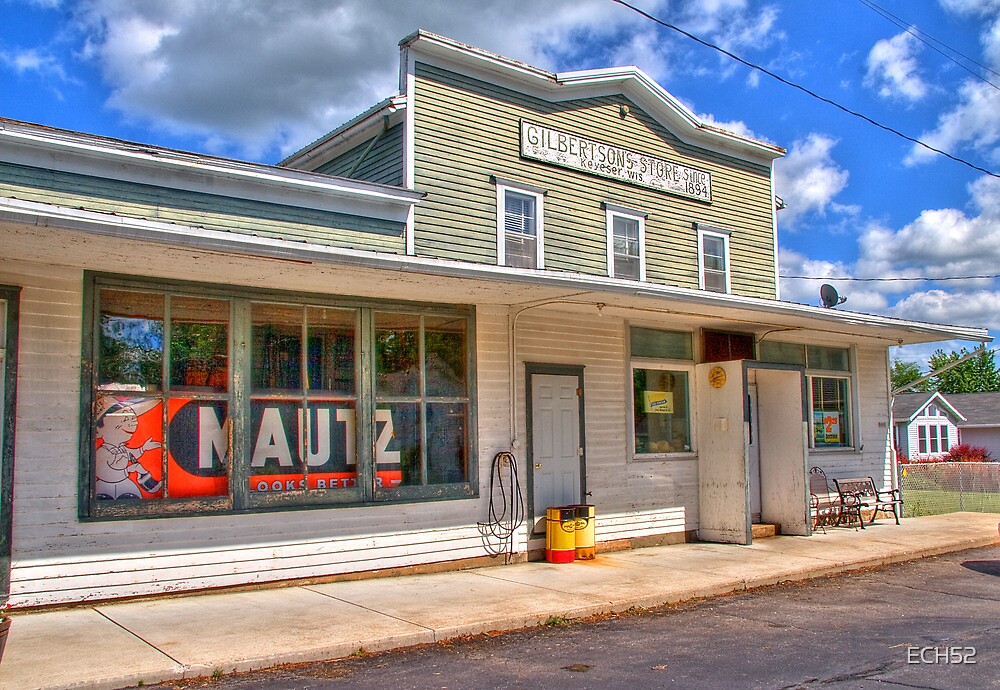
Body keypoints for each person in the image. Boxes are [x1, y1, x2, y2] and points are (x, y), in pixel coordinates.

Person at [94, 396, 162, 499]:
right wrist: (128, 470)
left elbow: (133, 454)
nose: (133, 423)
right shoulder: (102, 452)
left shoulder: (123, 449)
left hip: (126, 485)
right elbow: (102, 472)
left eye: (132, 418)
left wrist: (143, 448)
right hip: (105, 486)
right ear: (98, 430)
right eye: (125, 419)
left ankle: (151, 485)